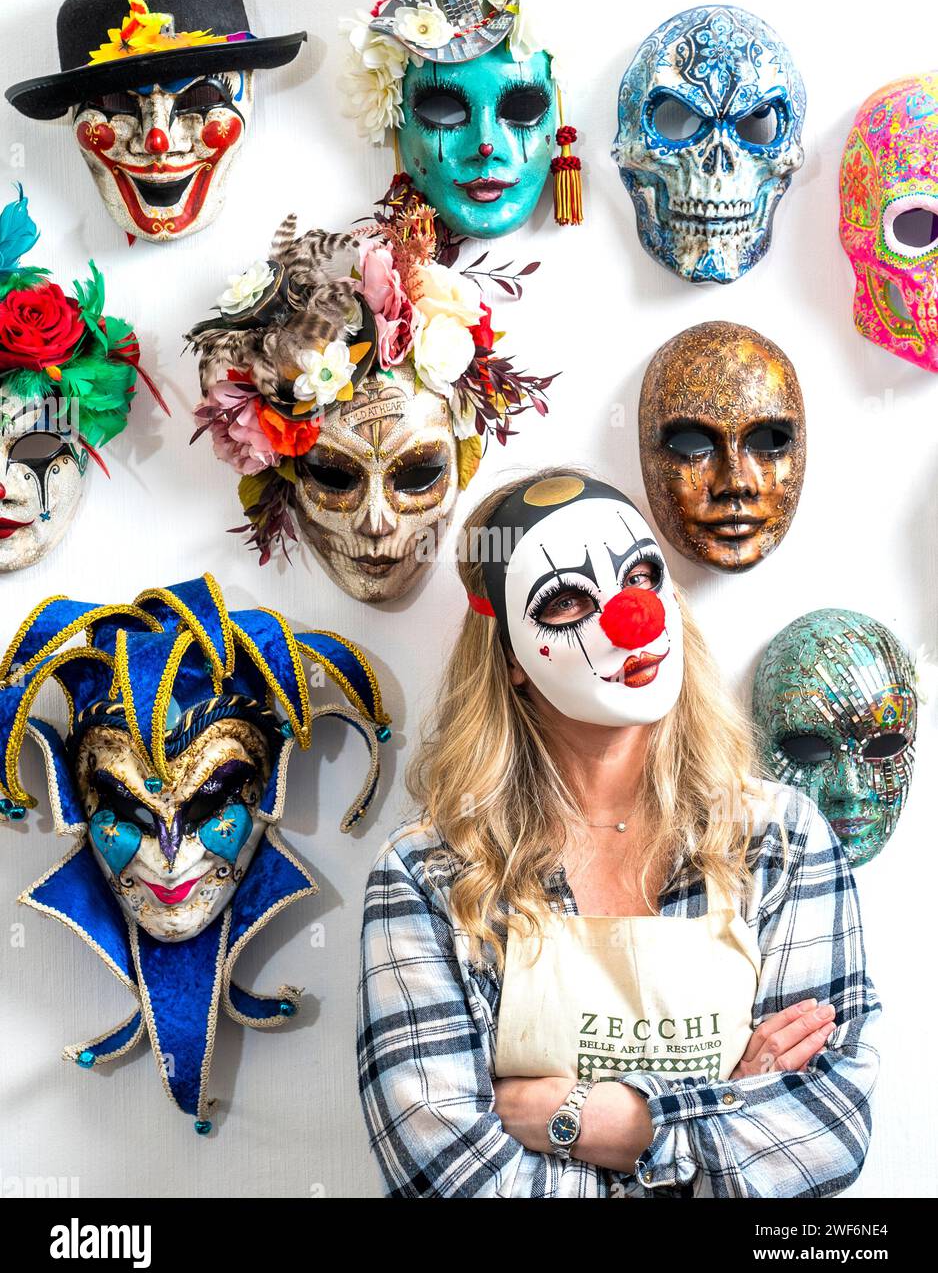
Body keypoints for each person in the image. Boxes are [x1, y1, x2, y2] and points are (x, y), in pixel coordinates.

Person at [357, 470, 880, 1198]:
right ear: (510, 658)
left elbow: (827, 1134)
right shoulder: (429, 873)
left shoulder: (782, 838)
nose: (628, 616)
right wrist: (727, 1103)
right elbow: (442, 1173)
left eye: (641, 574)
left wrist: (587, 1118)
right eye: (567, 600)